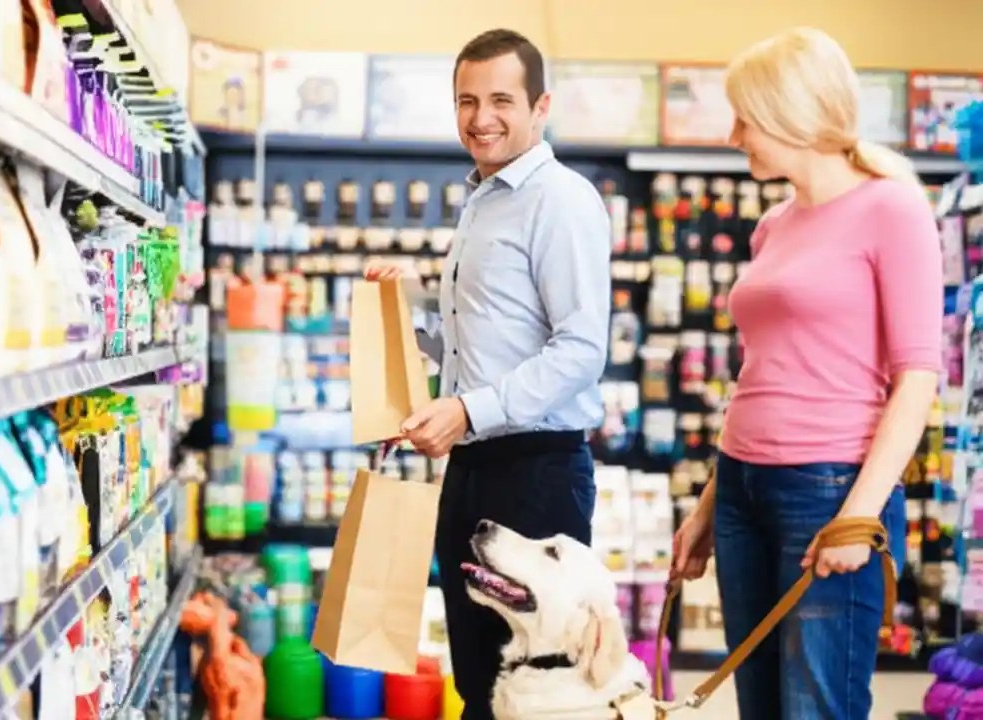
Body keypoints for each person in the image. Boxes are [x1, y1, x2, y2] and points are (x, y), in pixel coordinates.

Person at [669, 27, 941, 720]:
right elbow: (759, 372)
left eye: (744, 117)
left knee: (816, 707)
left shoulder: (893, 207)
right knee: (757, 706)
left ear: (791, 112)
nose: (734, 136)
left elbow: (917, 377)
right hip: (741, 488)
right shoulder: (774, 225)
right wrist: (708, 505)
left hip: (828, 491)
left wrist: (857, 516)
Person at [365, 28, 611, 719]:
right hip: (473, 470)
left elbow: (580, 349)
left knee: (539, 691)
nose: (481, 117)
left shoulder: (559, 200)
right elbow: (476, 350)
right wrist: (407, 304)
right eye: (466, 100)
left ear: (541, 106)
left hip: (535, 478)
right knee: (479, 680)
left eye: (501, 99)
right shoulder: (483, 200)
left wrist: (468, 411)